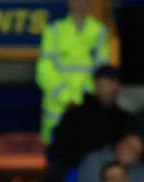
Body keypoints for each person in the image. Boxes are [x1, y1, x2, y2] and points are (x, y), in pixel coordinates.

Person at [35, 0, 111, 143]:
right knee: (56, 159)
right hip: (57, 113)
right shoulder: (54, 30)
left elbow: (102, 70)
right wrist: (67, 98)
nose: (79, 3)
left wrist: (84, 99)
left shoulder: (99, 31)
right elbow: (44, 70)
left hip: (89, 111)